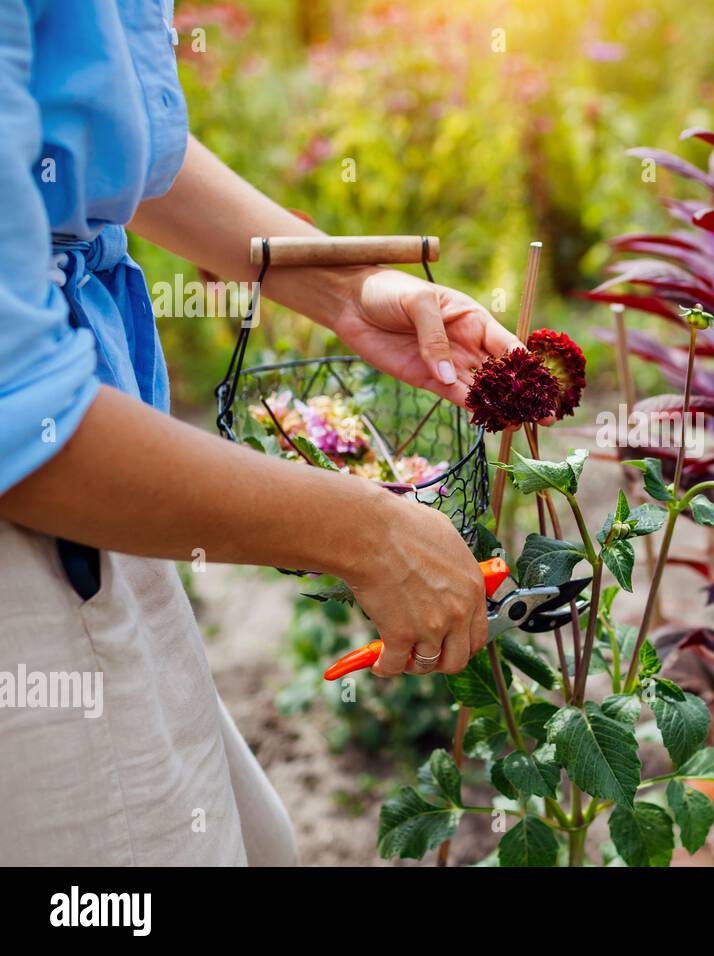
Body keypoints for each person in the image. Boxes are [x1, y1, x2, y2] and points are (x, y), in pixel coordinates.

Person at [0, 1, 511, 865]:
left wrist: (346, 288)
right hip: (47, 511)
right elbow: (17, 417)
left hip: (101, 469)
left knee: (255, 841)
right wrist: (372, 535)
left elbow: (99, 135)